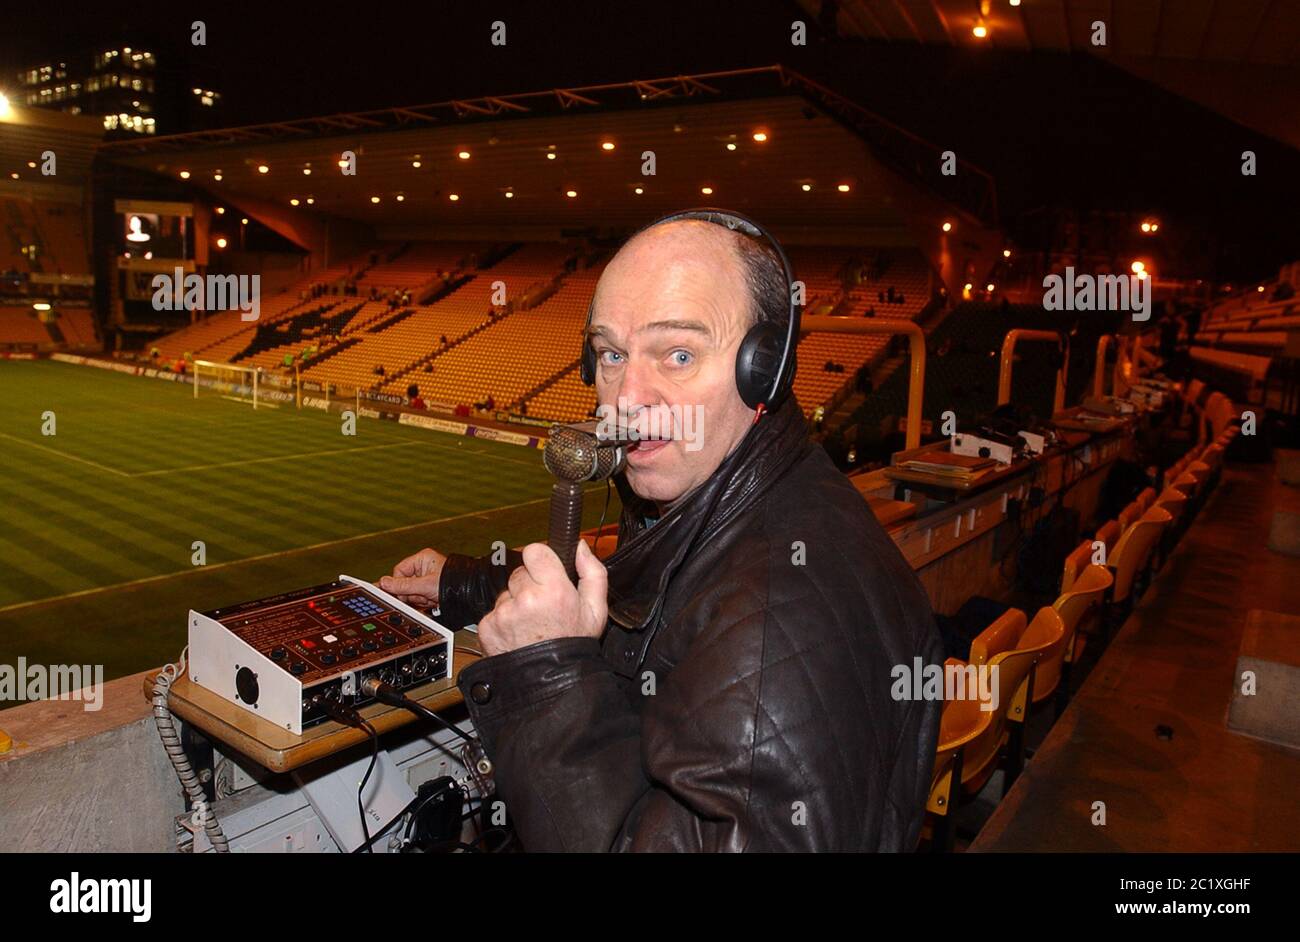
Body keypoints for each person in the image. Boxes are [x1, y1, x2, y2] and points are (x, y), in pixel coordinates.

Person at [380, 211, 941, 852]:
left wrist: (547, 680)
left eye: (678, 354)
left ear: (765, 371)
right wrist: (463, 583)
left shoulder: (781, 610)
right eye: (612, 354)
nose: (627, 397)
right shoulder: (751, 504)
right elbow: (650, 599)